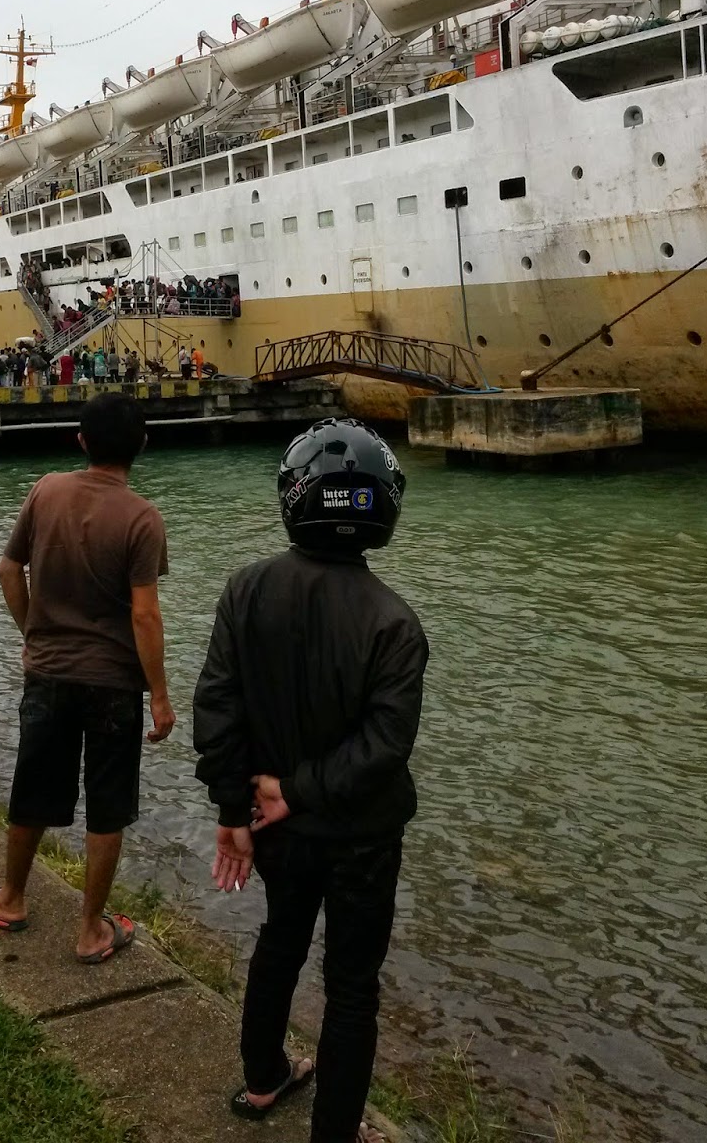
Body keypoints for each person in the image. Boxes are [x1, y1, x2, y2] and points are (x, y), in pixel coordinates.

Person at [193, 419, 428, 1141]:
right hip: (359, 836)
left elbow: (217, 710)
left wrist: (236, 808)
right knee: (352, 987)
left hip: (276, 829)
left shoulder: (246, 590)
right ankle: (335, 1130)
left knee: (281, 939)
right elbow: (384, 747)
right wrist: (296, 791)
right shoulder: (394, 623)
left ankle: (264, 1077)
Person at [0, 395, 174, 962]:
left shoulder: (46, 491)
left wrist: (32, 633)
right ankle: (90, 931)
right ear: (142, 446)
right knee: (108, 803)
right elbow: (145, 615)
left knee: (33, 787)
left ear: (81, 441)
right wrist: (160, 694)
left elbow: (8, 569)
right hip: (115, 683)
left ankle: (10, 899)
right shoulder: (143, 518)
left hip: (49, 672)